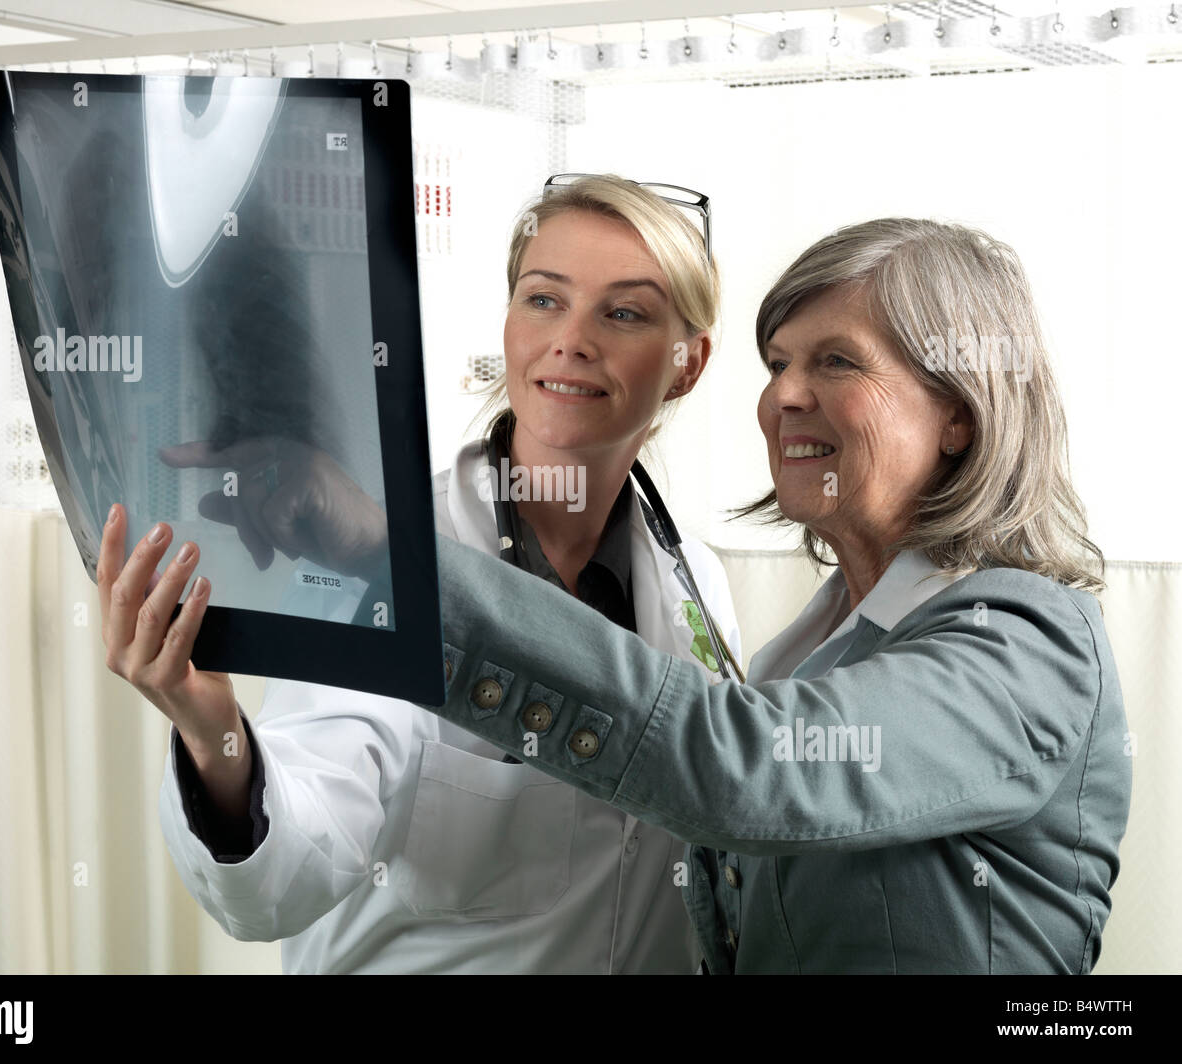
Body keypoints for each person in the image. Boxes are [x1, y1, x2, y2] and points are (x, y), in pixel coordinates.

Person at [411, 217, 1133, 973]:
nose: (783, 394)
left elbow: (745, 767)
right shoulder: (809, 647)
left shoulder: (1031, 641)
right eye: (778, 362)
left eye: (837, 362)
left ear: (957, 412)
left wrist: (397, 579)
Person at [99, 174, 742, 973]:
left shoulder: (696, 587)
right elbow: (287, 873)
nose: (572, 339)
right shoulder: (379, 560)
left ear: (688, 363)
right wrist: (212, 731)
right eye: (544, 299)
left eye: (624, 312)